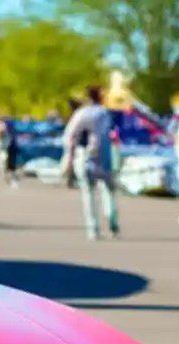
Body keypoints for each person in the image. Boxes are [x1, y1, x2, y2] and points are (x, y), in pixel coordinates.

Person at [62, 85, 120, 240]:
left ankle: (93, 229)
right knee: (109, 190)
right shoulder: (105, 113)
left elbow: (70, 136)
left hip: (86, 157)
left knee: (89, 194)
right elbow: (111, 135)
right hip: (105, 157)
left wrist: (69, 159)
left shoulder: (81, 114)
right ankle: (112, 219)